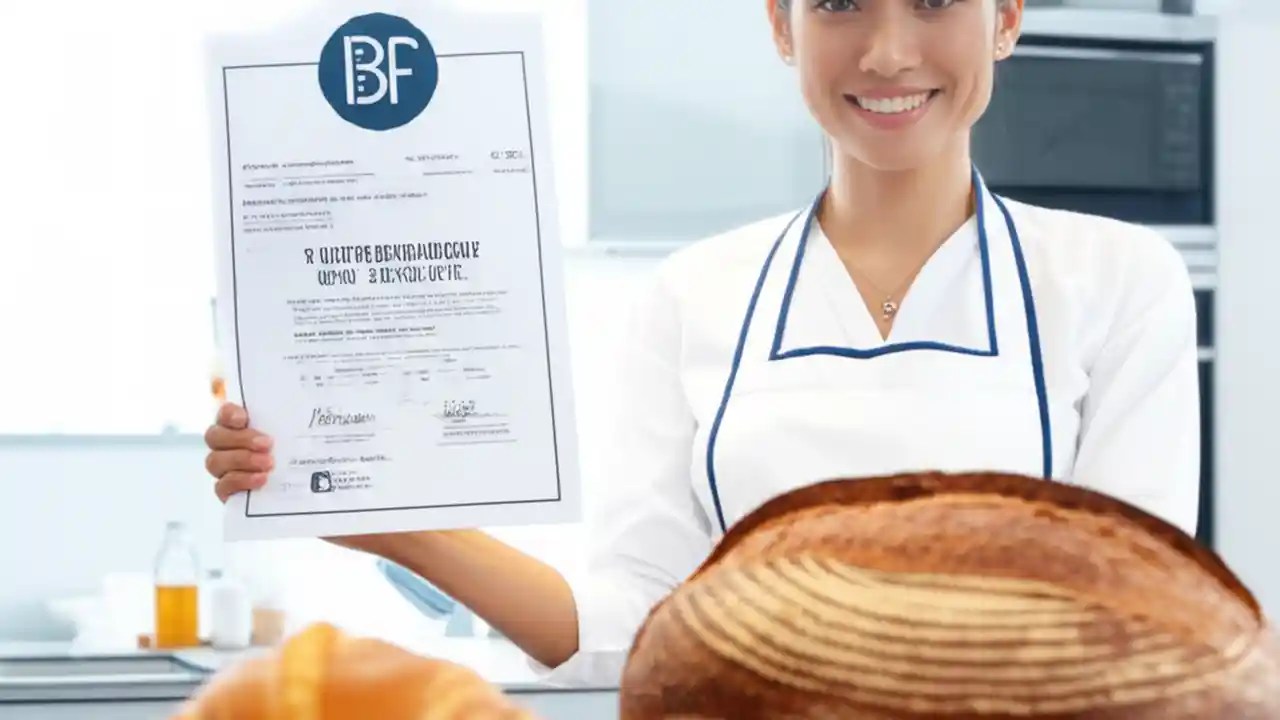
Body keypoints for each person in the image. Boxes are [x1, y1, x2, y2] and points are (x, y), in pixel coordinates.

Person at [203, 0, 1200, 689]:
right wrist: (386, 520)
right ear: (781, 25)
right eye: (839, 4)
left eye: (934, 1)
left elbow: (1139, 624)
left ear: (1006, 18)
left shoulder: (1116, 279)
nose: (888, 52)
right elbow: (630, 629)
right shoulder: (692, 293)